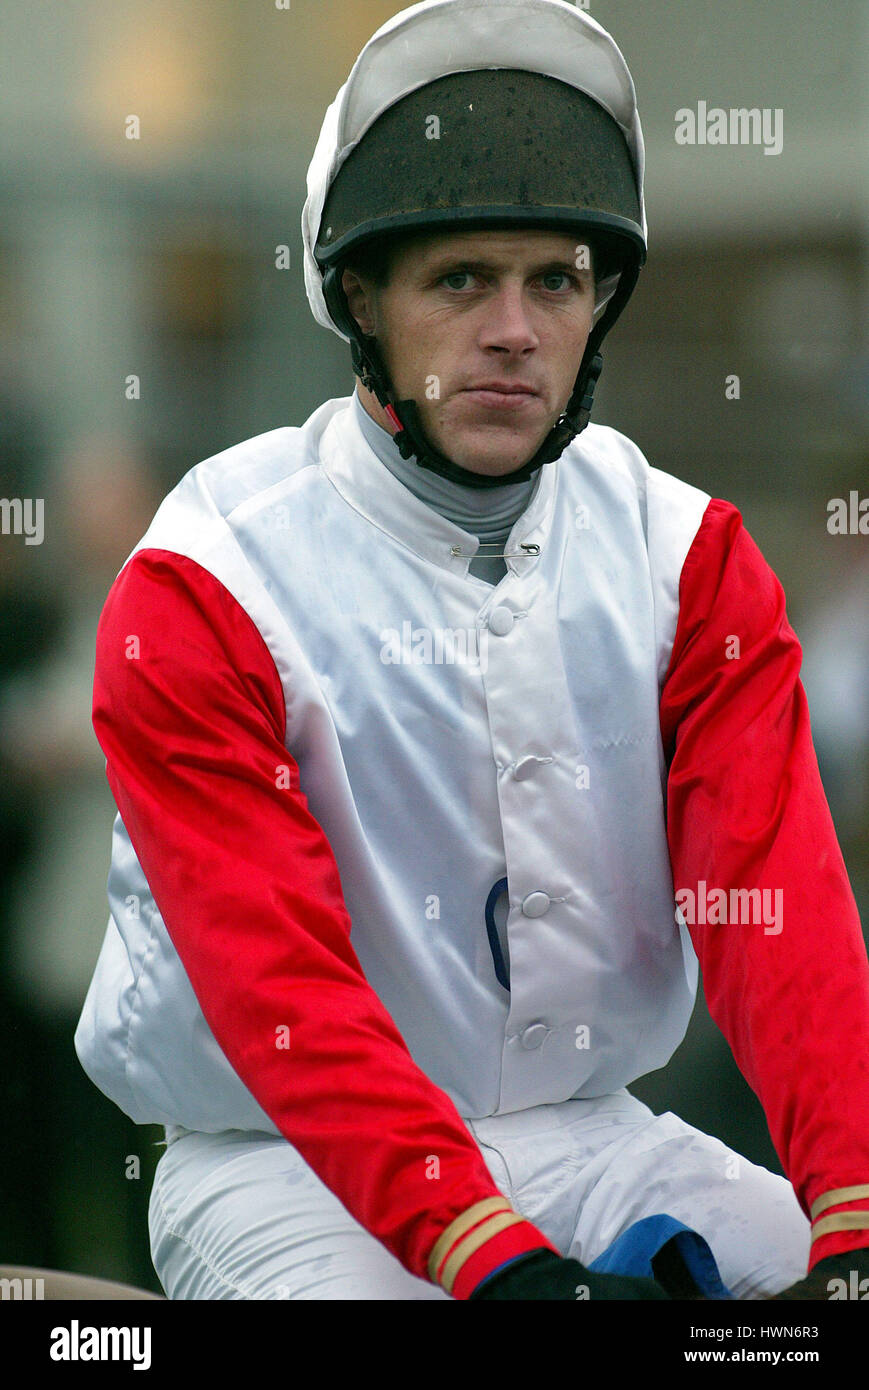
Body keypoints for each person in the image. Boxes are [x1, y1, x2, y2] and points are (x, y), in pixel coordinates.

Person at [75, 0, 869, 1301]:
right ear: (358, 299)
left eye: (553, 279)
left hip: (597, 1133)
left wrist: (850, 1221)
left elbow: (773, 915)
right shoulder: (204, 578)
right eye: (459, 280)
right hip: (282, 1166)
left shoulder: (690, 557)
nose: (513, 329)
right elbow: (284, 986)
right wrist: (494, 1264)